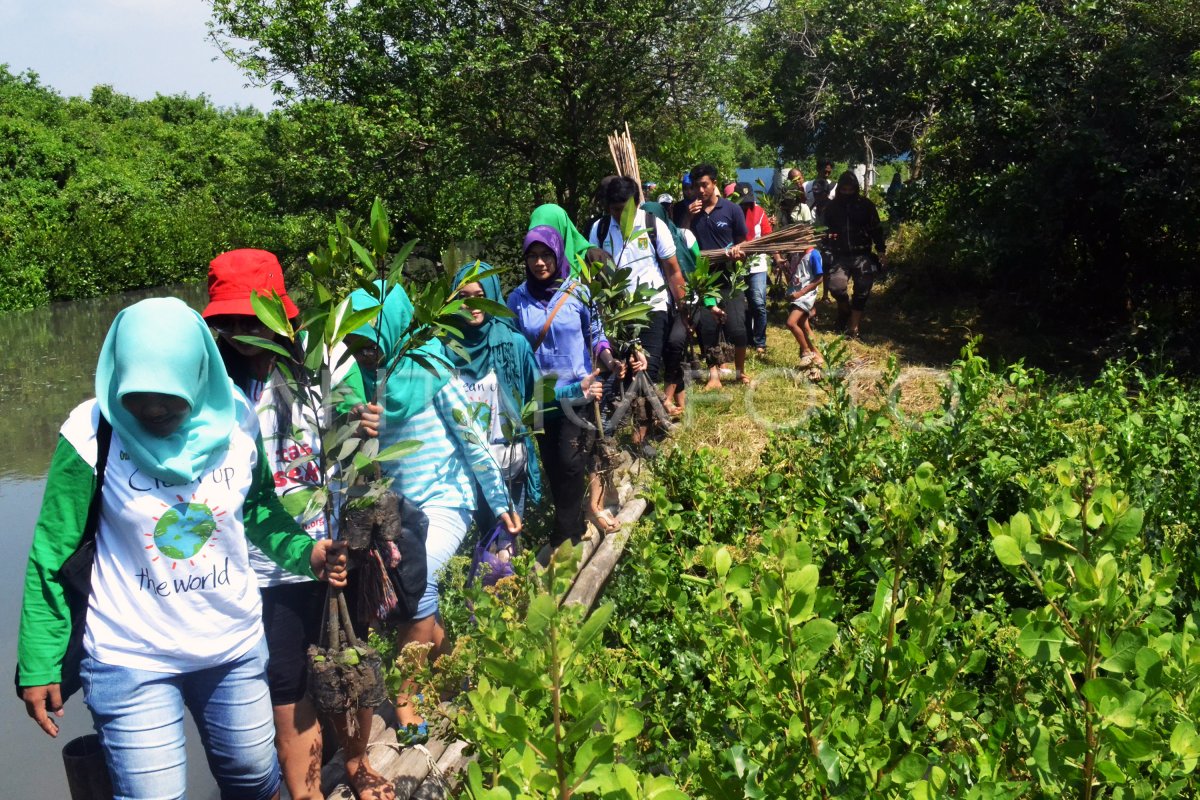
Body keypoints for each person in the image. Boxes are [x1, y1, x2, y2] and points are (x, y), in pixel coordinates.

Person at [18, 297, 347, 800]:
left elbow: (258, 509)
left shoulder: (237, 416)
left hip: (231, 645)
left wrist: (307, 554)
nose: (152, 408)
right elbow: (50, 552)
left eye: (169, 393)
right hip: (129, 654)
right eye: (137, 393)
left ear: (199, 373)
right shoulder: (90, 431)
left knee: (255, 777)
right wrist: (38, 662)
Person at [201, 248, 389, 800]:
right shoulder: (211, 383)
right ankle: (307, 794)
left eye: (251, 321)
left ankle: (355, 765)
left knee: (352, 668)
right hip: (258, 567)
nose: (240, 335)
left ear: (280, 315)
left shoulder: (326, 354)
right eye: (228, 323)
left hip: (334, 546)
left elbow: (357, 440)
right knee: (288, 687)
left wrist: (362, 423)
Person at [347, 282, 521, 739]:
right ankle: (455, 673)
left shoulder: (432, 370)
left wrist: (499, 501)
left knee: (415, 581)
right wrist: (351, 424)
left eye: (371, 340)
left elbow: (474, 439)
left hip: (445, 499)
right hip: (394, 508)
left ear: (395, 329)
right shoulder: (353, 383)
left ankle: (407, 699)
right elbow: (343, 452)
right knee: (420, 599)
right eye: (355, 343)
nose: (366, 353)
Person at [508, 226, 616, 540]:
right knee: (553, 464)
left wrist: (609, 360)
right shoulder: (517, 299)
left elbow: (596, 335)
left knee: (572, 460)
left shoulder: (579, 291)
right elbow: (515, 345)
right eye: (532, 256)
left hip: (580, 388)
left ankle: (573, 524)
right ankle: (566, 521)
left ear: (558, 254)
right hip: (541, 394)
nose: (539, 262)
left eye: (545, 255)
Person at [448, 262, 548, 531]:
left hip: (508, 467)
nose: (471, 304)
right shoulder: (443, 350)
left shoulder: (513, 344)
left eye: (479, 296)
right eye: (463, 297)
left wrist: (578, 392)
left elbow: (538, 398)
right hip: (464, 472)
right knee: (482, 545)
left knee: (505, 551)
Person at [587, 176, 687, 428]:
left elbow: (673, 271)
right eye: (615, 210)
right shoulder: (599, 230)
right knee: (622, 371)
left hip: (651, 307)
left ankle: (639, 438)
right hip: (616, 312)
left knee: (648, 369)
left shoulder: (654, 225)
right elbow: (593, 275)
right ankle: (625, 426)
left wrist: (683, 308)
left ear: (637, 203)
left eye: (626, 209)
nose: (621, 216)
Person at [686, 163, 750, 389]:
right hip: (704, 281)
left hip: (729, 279)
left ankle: (740, 373)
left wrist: (738, 251)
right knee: (708, 330)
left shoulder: (732, 209)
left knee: (737, 329)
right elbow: (684, 243)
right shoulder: (691, 213)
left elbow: (744, 242)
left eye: (704, 185)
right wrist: (687, 218)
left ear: (714, 183)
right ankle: (713, 376)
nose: (700, 191)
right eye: (696, 187)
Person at [643, 200, 698, 415]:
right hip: (663, 307)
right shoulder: (645, 246)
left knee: (675, 345)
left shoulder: (677, 239)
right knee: (669, 351)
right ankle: (678, 405)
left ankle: (664, 401)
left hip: (687, 304)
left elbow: (689, 270)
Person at [823, 170, 887, 338]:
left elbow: (876, 229)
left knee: (862, 290)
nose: (847, 193)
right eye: (844, 190)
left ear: (855, 189)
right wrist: (827, 241)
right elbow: (822, 230)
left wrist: (881, 251)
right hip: (840, 255)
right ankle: (844, 311)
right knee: (836, 287)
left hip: (862, 254)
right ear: (839, 189)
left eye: (850, 190)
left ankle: (854, 327)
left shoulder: (866, 205)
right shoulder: (831, 207)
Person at [736, 182, 778, 356]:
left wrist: (777, 259)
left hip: (758, 264)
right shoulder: (731, 212)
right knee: (741, 305)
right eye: (743, 202)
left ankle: (760, 341)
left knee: (758, 303)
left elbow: (768, 239)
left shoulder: (759, 212)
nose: (746, 205)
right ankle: (745, 338)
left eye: (748, 202)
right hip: (737, 266)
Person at [784, 246, 826, 380]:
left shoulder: (813, 254)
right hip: (797, 294)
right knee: (803, 324)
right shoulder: (797, 253)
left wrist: (801, 292)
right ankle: (817, 355)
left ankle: (806, 351)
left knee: (791, 323)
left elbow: (819, 278)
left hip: (805, 295)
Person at [529, 203, 593, 276]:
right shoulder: (533, 277)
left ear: (562, 229)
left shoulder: (594, 260)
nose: (542, 240)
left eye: (548, 234)